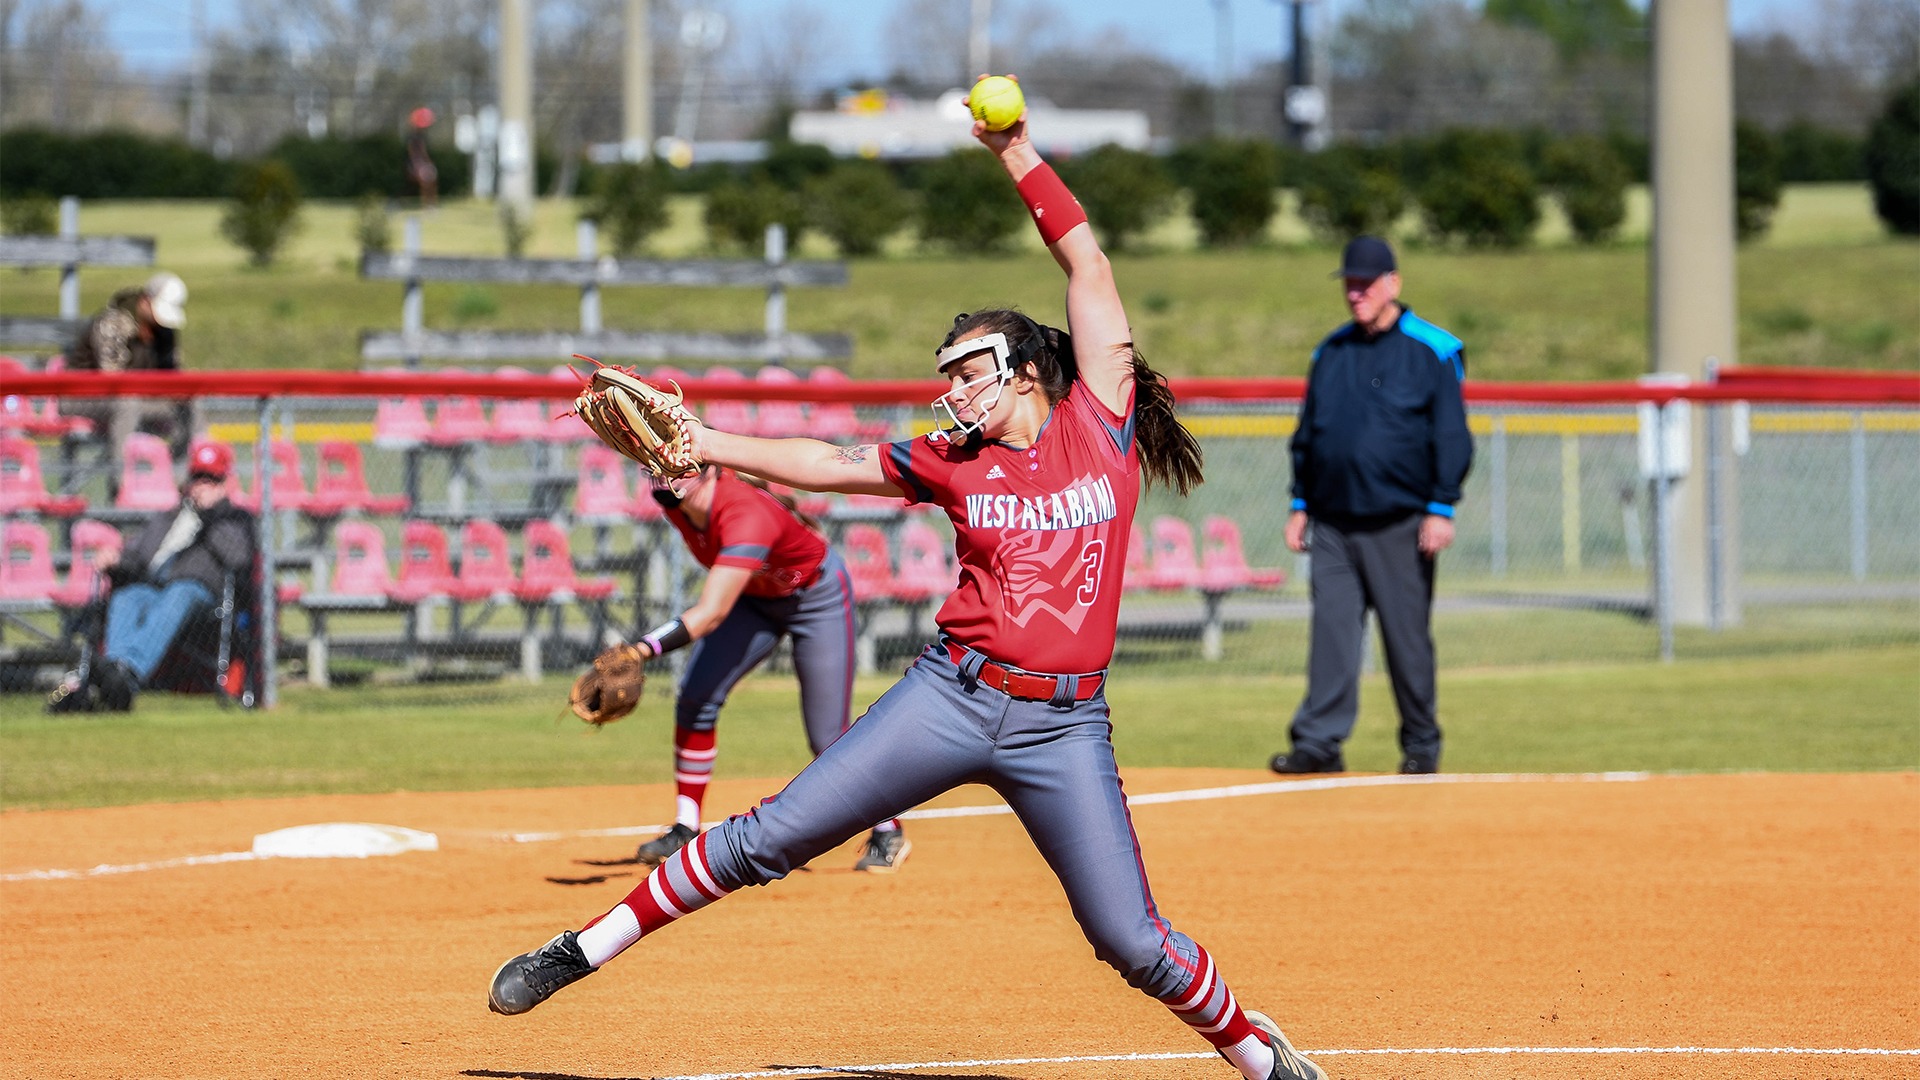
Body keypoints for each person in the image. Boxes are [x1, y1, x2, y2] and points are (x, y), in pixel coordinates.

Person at [488, 80, 1328, 1080]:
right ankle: (580, 949)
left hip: (1065, 726)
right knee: (764, 840)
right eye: (944, 372)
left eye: (967, 369)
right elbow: (829, 461)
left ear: (1023, 370)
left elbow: (1086, 262)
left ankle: (1257, 1055)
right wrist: (704, 438)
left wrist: (1013, 149)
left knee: (1132, 942)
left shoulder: (1096, 426)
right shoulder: (948, 458)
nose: (951, 387)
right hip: (951, 695)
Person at [625, 465, 909, 873]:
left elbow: (709, 613)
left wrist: (641, 650)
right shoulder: (678, 504)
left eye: (679, 470)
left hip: (815, 595)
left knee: (827, 735)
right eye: (661, 471)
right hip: (756, 599)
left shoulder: (743, 512)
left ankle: (888, 828)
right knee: (696, 698)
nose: (668, 480)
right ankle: (685, 827)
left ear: (709, 471)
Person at [1268, 236, 1473, 777]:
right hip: (1333, 520)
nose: (1355, 293)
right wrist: (1299, 502)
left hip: (1401, 521)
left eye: (1365, 283)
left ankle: (1421, 745)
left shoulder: (1432, 350)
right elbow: (1310, 434)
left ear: (1393, 284)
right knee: (1332, 636)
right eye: (1349, 283)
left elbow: (1452, 436)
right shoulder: (1330, 352)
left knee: (1405, 641)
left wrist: (1440, 508)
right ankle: (1319, 743)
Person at [46, 440, 257, 714]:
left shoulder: (234, 518)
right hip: (154, 588)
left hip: (202, 597)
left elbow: (237, 557)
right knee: (127, 595)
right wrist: (116, 558)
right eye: (198, 477)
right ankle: (115, 674)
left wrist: (209, 515)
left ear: (225, 482)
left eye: (212, 479)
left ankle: (128, 673)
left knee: (180, 591)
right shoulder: (170, 516)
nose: (203, 485)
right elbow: (139, 553)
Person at [64, 271, 193, 456]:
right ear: (145, 300)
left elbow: (171, 373)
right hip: (82, 397)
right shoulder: (112, 322)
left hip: (138, 397)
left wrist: (180, 392)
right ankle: (121, 479)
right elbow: (112, 379)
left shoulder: (165, 331)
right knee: (127, 404)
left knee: (189, 404)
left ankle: (190, 477)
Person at [406, 108, 438, 209]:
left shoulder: (422, 136)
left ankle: (431, 204)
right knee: (426, 182)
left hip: (421, 163)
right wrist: (418, 164)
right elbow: (414, 151)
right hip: (417, 164)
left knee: (432, 182)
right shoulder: (413, 137)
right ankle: (427, 205)